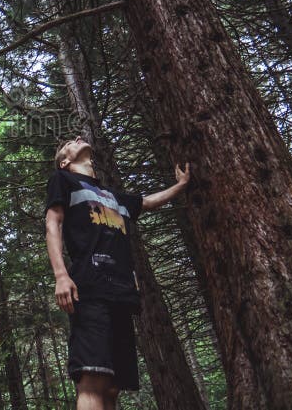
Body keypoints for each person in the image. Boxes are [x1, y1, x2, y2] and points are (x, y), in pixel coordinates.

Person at [45, 135, 190, 410]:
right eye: (69, 143)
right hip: (89, 288)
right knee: (92, 379)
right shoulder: (63, 180)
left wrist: (181, 185)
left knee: (112, 387)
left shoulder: (112, 196)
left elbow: (147, 202)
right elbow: (54, 223)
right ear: (64, 162)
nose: (77, 138)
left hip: (122, 293)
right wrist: (61, 275)